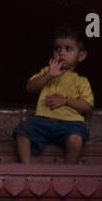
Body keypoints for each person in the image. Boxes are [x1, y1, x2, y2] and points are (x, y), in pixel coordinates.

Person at [13, 27, 95, 164]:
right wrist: (48, 75)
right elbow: (30, 87)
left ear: (81, 56)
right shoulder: (47, 72)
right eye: (57, 49)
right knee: (22, 131)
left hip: (71, 124)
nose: (61, 53)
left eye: (68, 49)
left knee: (76, 140)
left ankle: (68, 171)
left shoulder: (81, 81)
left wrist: (66, 101)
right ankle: (26, 168)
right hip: (42, 121)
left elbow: (87, 106)